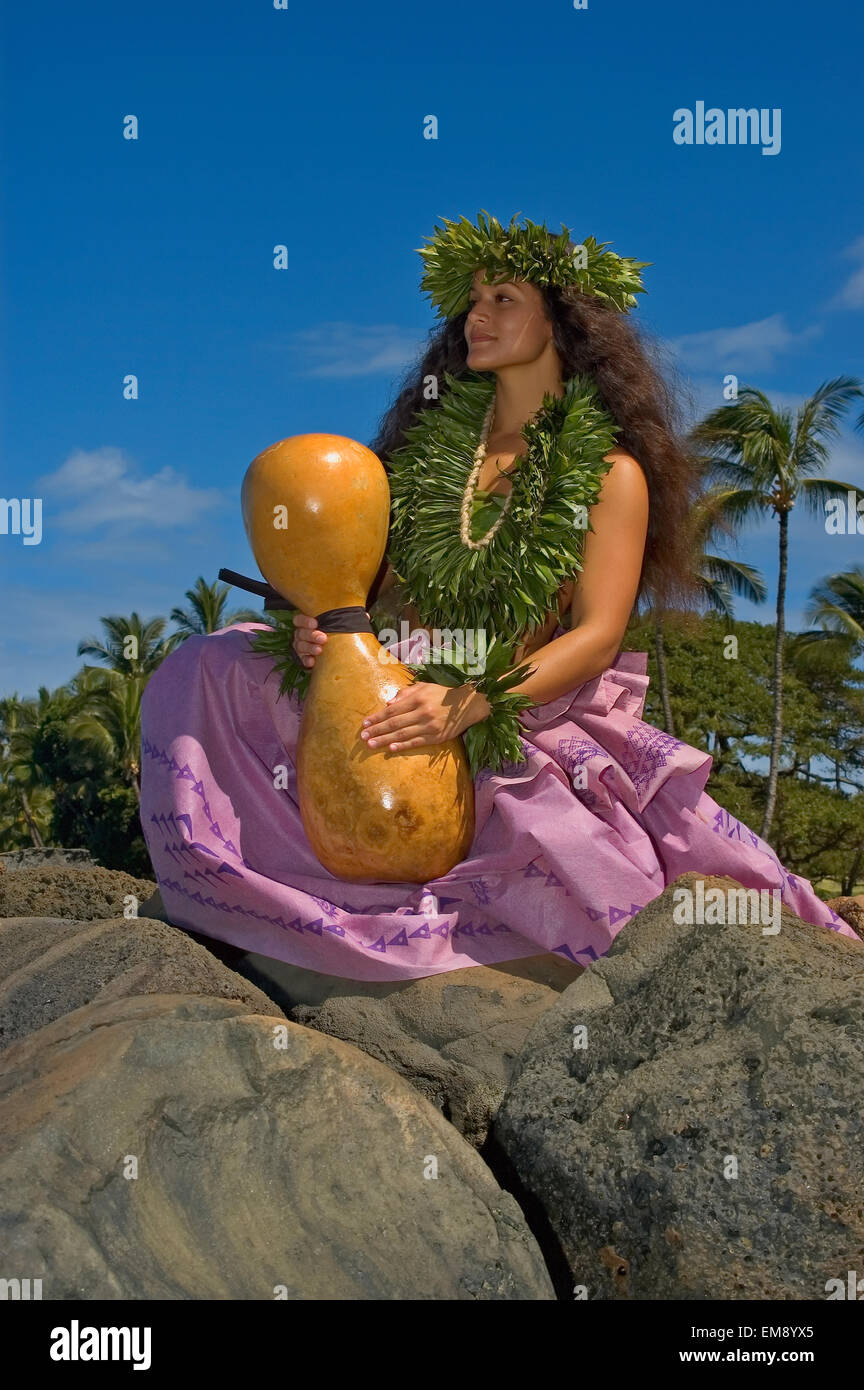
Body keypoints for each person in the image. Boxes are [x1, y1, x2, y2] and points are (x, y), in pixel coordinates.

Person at [139, 211, 860, 980]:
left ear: (564, 324)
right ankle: (244, 890)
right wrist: (323, 630)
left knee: (562, 848)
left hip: (523, 701)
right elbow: (371, 598)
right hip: (396, 679)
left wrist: (475, 700)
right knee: (208, 663)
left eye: (505, 300)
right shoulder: (417, 459)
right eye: (471, 304)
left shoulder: (610, 474)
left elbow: (598, 635)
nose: (477, 318)